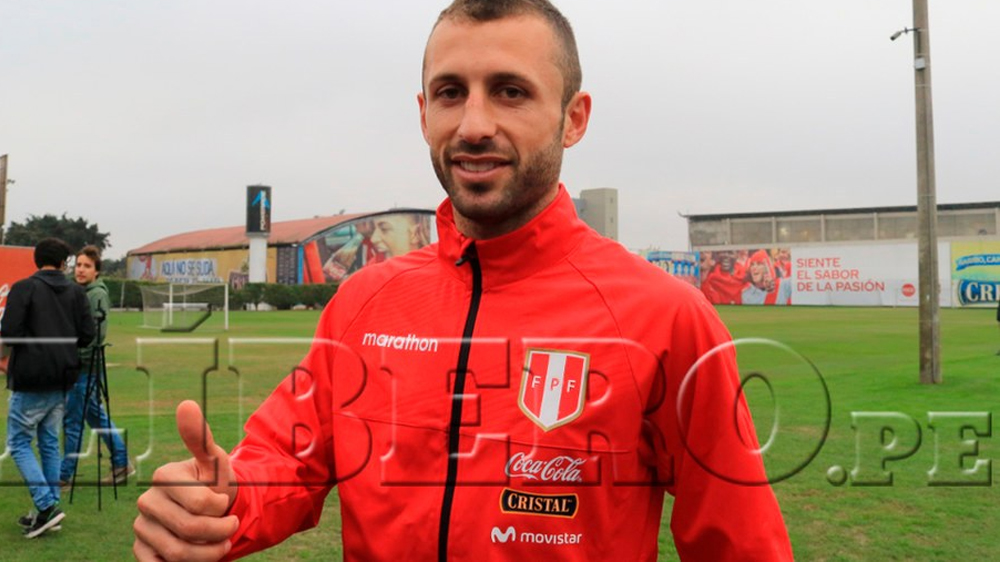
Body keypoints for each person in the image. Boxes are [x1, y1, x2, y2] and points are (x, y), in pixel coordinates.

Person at [133, 1, 793, 560]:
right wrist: (225, 501)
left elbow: (741, 540)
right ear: (424, 113)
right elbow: (288, 462)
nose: (475, 125)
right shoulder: (363, 302)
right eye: (451, 92)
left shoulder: (666, 318)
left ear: (574, 116)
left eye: (510, 90)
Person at [1, 238, 94, 538]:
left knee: (18, 442)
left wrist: (3, 359)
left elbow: (9, 332)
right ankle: (49, 506)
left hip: (30, 377)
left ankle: (45, 506)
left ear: (37, 260)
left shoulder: (24, 288)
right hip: (63, 377)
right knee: (49, 443)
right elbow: (87, 335)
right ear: (65, 262)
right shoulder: (76, 294)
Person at [60, 245, 135, 488]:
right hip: (79, 367)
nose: (80, 270)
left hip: (83, 369)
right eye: (78, 265)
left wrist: (72, 357)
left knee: (73, 422)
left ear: (97, 271)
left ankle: (63, 477)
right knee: (96, 418)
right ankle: (122, 464)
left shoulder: (95, 295)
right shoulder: (81, 292)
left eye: (86, 266)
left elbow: (94, 336)